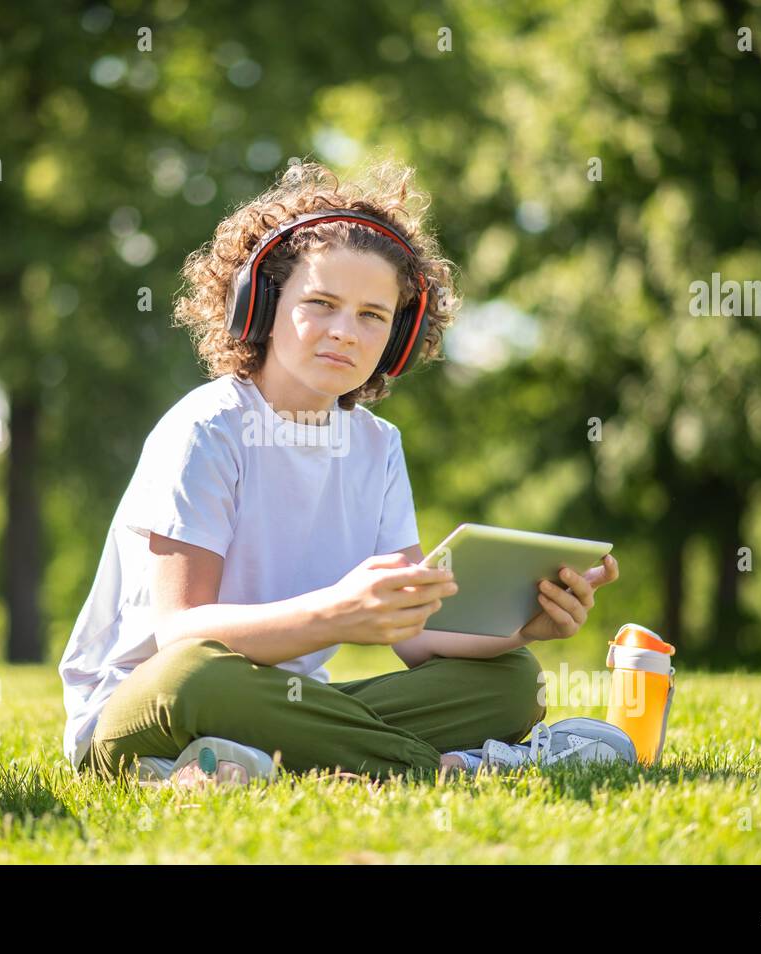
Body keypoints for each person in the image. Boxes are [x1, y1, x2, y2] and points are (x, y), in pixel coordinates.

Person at [57, 158, 620, 787]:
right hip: (148, 709)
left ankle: (249, 764)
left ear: (399, 337)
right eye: (320, 304)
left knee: (511, 681)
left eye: (372, 315)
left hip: (280, 708)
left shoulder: (378, 448)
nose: (344, 334)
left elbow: (415, 636)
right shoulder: (207, 429)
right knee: (196, 675)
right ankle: (443, 769)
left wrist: (524, 627)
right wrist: (335, 614)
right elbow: (182, 634)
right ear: (260, 306)